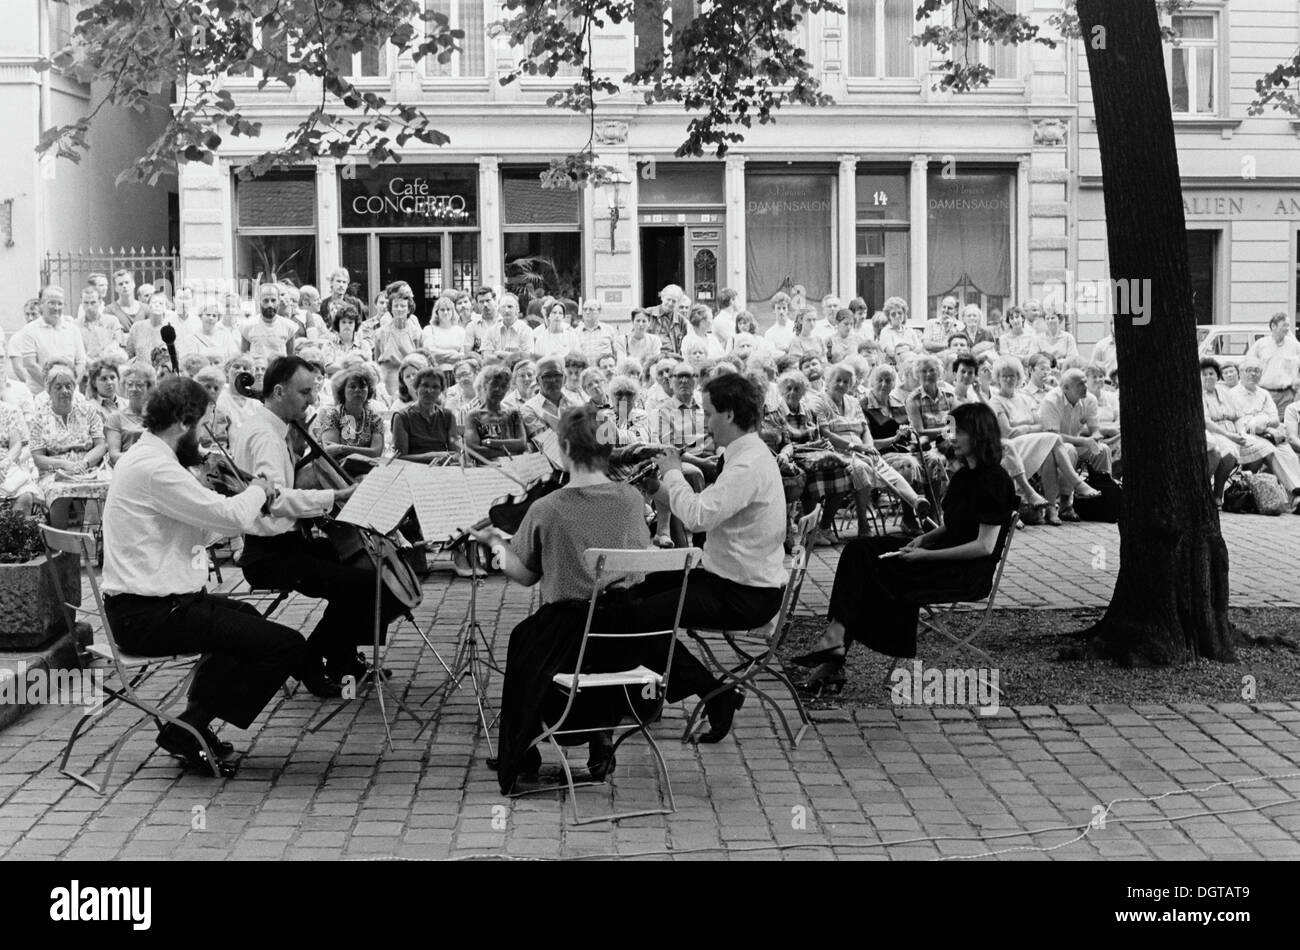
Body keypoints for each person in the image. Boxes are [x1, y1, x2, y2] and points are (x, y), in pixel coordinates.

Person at [102, 376, 309, 773]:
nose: (203, 438)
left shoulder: (149, 459)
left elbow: (210, 526)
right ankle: (190, 728)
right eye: (201, 426)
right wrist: (259, 491)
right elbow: (228, 517)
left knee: (246, 620)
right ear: (182, 423)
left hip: (148, 608)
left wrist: (232, 499)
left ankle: (192, 726)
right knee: (285, 644)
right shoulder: (156, 469)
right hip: (150, 616)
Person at [474, 404, 654, 792]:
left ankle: (524, 755)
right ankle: (599, 732)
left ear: (566, 449)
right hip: (626, 635)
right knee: (563, 644)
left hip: (568, 637)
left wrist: (494, 544)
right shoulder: (631, 499)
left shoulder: (548, 507)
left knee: (524, 643)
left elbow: (523, 575)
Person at [792, 402, 1016, 693]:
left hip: (964, 571)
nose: (950, 437)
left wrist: (927, 554)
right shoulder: (965, 475)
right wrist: (925, 539)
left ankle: (833, 654)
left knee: (873, 571)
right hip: (940, 553)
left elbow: (984, 547)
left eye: (958, 431)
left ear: (979, 434)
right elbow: (957, 525)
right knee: (858, 552)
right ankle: (834, 640)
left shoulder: (995, 480)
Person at [622, 373, 788, 739]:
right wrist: (653, 485)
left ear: (728, 415)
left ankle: (713, 693)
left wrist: (673, 472)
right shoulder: (744, 454)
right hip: (729, 577)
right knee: (633, 592)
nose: (706, 422)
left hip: (745, 594)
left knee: (635, 619)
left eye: (709, 413)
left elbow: (698, 516)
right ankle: (644, 692)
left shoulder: (747, 465)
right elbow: (702, 505)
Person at [233, 355, 398, 694]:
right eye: (305, 392)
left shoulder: (277, 429)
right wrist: (336, 496)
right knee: (362, 584)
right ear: (279, 391)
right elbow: (274, 501)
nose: (311, 400)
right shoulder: (264, 436)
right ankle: (307, 661)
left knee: (366, 571)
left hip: (291, 543)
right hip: (269, 554)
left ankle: (341, 660)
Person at [989, 357, 1099, 525]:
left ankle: (1051, 508)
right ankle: (1076, 482)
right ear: (998, 379)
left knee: (1048, 453)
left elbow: (1040, 425)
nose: (1009, 379)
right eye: (1005, 376)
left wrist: (1024, 428)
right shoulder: (996, 401)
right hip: (1012, 448)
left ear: (1019, 377)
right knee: (1053, 438)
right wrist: (1028, 428)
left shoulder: (1023, 398)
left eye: (1013, 376)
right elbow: (1009, 433)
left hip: (1032, 442)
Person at [1230, 357, 1300, 506]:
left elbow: (1274, 419)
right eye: (1249, 370)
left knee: (1287, 452)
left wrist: (1262, 423)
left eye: (1257, 371)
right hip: (1246, 438)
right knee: (1270, 451)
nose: (1253, 374)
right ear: (1241, 373)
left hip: (1267, 434)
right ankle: (1295, 492)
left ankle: (1296, 495)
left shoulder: (1264, 394)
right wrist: (1260, 422)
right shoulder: (1233, 395)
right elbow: (1241, 424)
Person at [19, 286, 88, 395]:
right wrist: (52, 388)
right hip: (40, 394)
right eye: (51, 303)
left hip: (70, 394)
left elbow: (81, 362)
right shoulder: (29, 330)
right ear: (41, 305)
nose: (56, 308)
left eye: (60, 304)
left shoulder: (73, 330)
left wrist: (70, 385)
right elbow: (30, 364)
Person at [318, 368, 385, 461]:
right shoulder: (333, 415)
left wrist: (342, 448)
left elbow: (376, 452)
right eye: (352, 386)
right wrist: (365, 452)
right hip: (337, 470)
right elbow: (331, 452)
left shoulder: (375, 418)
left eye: (362, 387)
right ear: (343, 391)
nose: (357, 390)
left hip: (367, 470)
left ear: (368, 390)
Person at [392, 368, 460, 461]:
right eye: (425, 385)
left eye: (435, 387)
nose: (430, 391)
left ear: (440, 391)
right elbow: (400, 458)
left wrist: (452, 457)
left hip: (441, 469)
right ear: (416, 388)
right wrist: (431, 456)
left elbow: (456, 453)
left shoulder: (448, 416)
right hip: (412, 471)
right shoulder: (402, 417)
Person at [465, 365, 528, 461]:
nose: (498, 390)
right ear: (485, 384)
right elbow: (474, 451)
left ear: (507, 389)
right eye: (494, 384)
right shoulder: (474, 416)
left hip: (514, 467)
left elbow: (522, 444)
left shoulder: (513, 413)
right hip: (485, 469)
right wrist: (510, 451)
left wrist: (490, 442)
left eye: (503, 386)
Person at [1247, 311, 1300, 415]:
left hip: (1287, 396)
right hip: (1264, 395)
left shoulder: (1294, 345)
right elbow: (1248, 364)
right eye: (1284, 325)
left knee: (1285, 426)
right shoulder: (1261, 344)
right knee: (1266, 423)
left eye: (1288, 325)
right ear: (1273, 326)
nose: (1287, 328)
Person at [106, 362, 156, 465]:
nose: (133, 389)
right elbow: (114, 456)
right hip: (127, 466)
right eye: (129, 384)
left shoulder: (158, 416)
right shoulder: (115, 418)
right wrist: (142, 460)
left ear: (149, 387)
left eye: (139, 385)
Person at [0, 400, 38, 515]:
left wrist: (3, 465)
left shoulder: (9, 410)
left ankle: (15, 532)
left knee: (25, 496)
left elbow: (16, 445)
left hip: (5, 465)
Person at [241, 284, 298, 359]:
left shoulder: (289, 326)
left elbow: (291, 358)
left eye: (273, 300)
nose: (270, 305)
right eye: (266, 300)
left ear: (278, 301)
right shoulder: (247, 326)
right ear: (259, 301)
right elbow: (244, 358)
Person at [421, 294, 466, 366]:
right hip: (435, 372)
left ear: (452, 312)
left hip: (456, 370)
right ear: (437, 312)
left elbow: (463, 355)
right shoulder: (429, 330)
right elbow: (429, 352)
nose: (445, 312)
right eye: (442, 310)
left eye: (448, 309)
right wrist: (452, 353)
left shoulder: (460, 331)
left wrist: (440, 356)